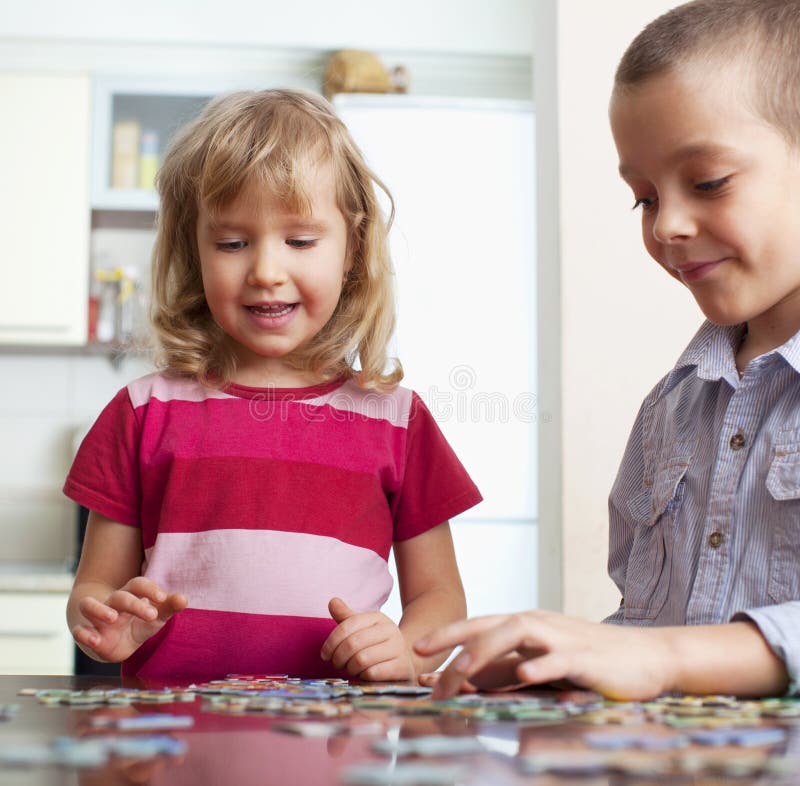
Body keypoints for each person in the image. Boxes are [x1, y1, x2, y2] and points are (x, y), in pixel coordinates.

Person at [415, 0, 800, 701]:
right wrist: (561, 664)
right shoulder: (670, 410)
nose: (669, 225)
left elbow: (666, 658)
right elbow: (646, 637)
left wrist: (663, 660)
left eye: (708, 182)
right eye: (645, 198)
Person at [65, 88, 481, 682]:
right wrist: (104, 621)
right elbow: (93, 591)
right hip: (170, 758)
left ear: (352, 249)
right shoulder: (141, 412)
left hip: (336, 763)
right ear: (195, 251)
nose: (265, 271)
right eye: (232, 243)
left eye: (301, 241)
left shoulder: (399, 421)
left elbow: (440, 598)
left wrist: (406, 650)